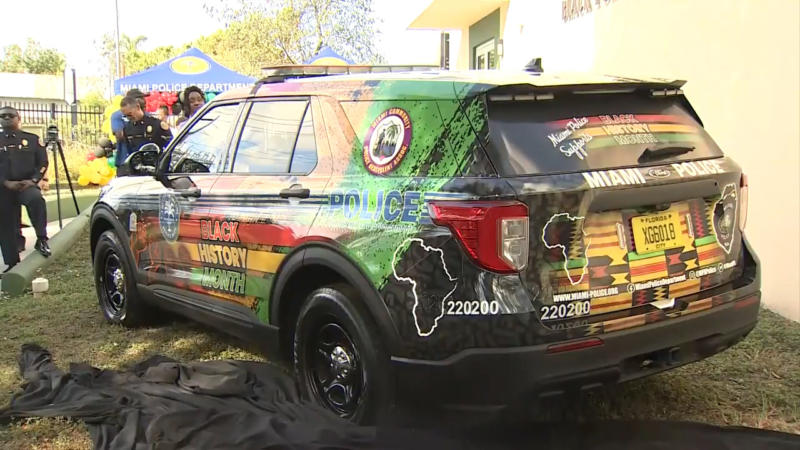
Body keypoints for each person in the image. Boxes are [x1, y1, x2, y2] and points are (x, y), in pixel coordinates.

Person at [0, 106, 51, 272]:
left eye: (10, 115)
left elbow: (42, 161)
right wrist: (5, 182)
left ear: (18, 118)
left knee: (36, 200)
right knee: (5, 221)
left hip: (27, 184)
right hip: (4, 187)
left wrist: (34, 180)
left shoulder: (31, 139)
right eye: (3, 116)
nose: (6, 118)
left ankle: (42, 239)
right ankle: (12, 261)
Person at [111, 89, 147, 167]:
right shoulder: (118, 115)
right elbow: (119, 135)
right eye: (141, 98)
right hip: (125, 161)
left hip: (144, 162)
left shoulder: (146, 115)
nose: (144, 101)